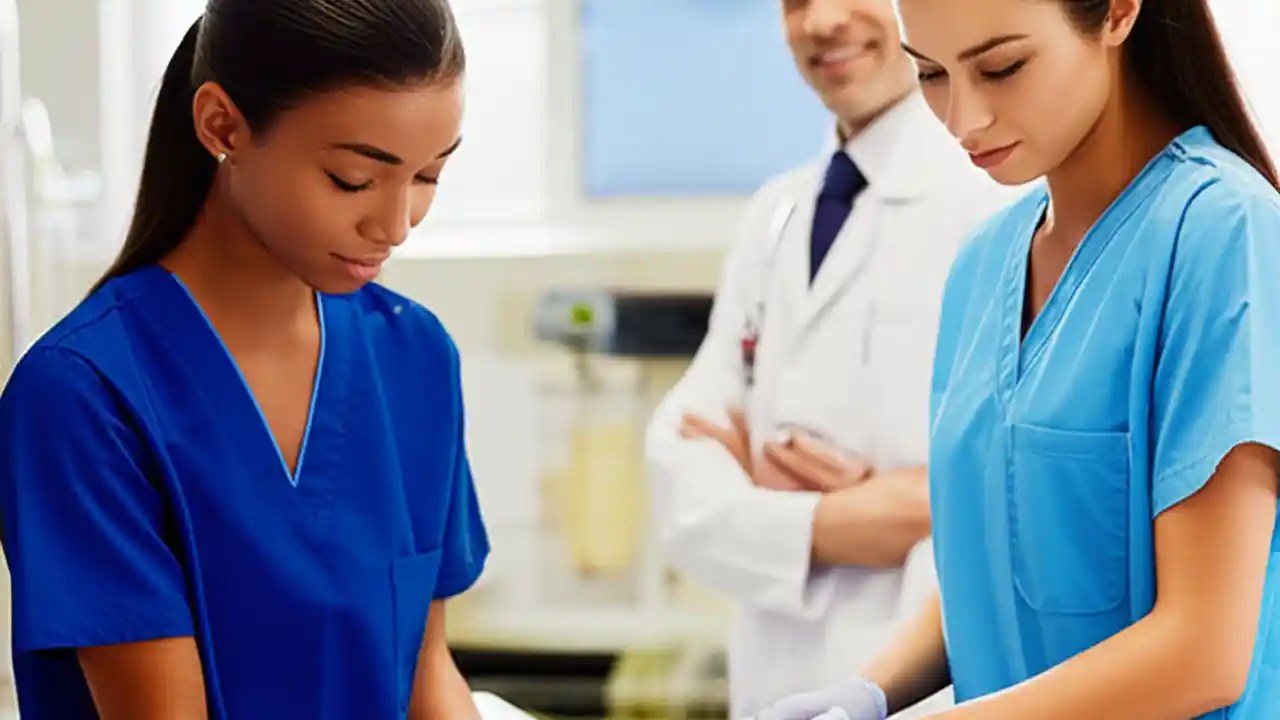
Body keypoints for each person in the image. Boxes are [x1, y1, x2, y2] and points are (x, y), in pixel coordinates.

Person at [753, 0, 1280, 718]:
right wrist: (868, 693)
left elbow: (1203, 653)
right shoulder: (984, 264)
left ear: (1118, 12)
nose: (962, 120)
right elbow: (1005, 576)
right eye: (931, 74)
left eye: (1002, 68)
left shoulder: (1222, 234)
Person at [0, 1, 489, 718]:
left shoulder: (414, 358)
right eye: (353, 179)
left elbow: (425, 671)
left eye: (428, 177)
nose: (396, 225)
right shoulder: (84, 395)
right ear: (223, 126)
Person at [644, 1, 1014, 717]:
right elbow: (679, 483)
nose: (820, 22)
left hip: (923, 692)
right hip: (773, 686)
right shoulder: (776, 214)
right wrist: (848, 520)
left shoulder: (997, 199)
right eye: (795, 0)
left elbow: (1013, 496)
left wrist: (766, 499)